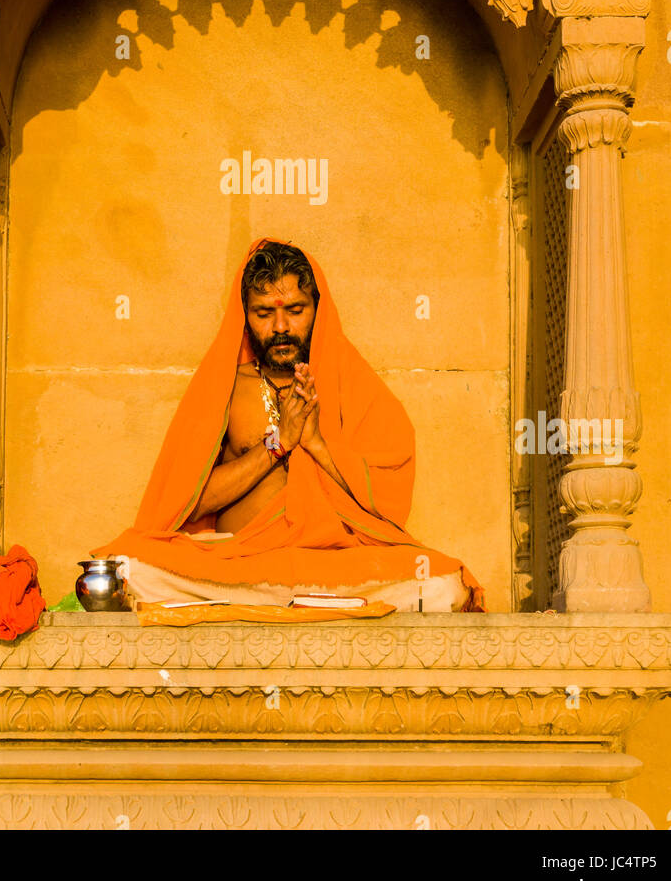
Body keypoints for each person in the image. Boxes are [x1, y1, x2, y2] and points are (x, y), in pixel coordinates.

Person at [91, 238, 485, 612]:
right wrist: (277, 445)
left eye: (295, 311)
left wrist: (316, 445)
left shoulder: (353, 385)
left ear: (318, 308)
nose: (280, 327)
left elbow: (387, 504)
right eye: (264, 313)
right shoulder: (225, 387)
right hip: (240, 567)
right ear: (245, 317)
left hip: (328, 564)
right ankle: (312, 608)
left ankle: (299, 604)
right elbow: (188, 500)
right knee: (128, 567)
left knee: (440, 582)